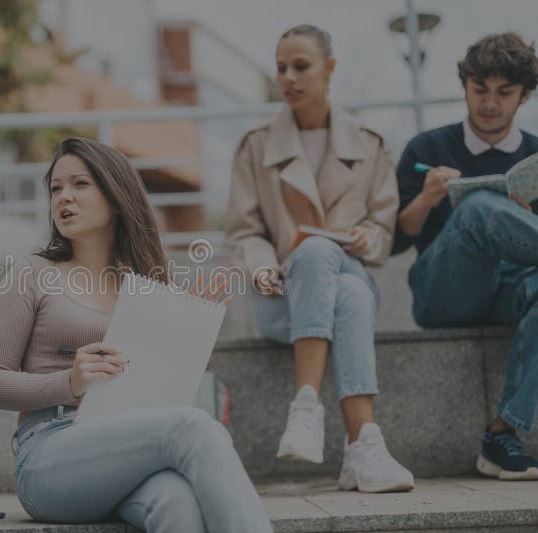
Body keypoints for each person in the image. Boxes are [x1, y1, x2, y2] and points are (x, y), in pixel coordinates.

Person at [0, 137, 274, 532]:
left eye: (80, 184)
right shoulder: (32, 273)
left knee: (177, 503)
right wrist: (69, 382)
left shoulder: (145, 284)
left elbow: (156, 387)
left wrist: (187, 327)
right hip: (48, 453)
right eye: (56, 188)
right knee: (194, 426)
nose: (64, 196)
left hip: (126, 445)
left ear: (116, 197)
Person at [226, 24, 414, 493]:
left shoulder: (369, 142)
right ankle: (362, 446)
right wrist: (263, 267)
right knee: (342, 287)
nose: (288, 77)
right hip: (283, 297)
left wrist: (360, 237)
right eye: (281, 68)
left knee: (329, 261)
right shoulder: (255, 144)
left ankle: (306, 406)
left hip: (350, 267)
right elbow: (245, 231)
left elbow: (383, 228)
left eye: (301, 66)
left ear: (329, 68)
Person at [394, 32, 538, 480]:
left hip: (512, 292)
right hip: (444, 294)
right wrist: (427, 198)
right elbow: (395, 241)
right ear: (465, 86)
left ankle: (502, 435)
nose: (490, 103)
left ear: (525, 96)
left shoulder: (535, 155)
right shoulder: (426, 149)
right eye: (480, 89)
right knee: (477, 210)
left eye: (504, 92)